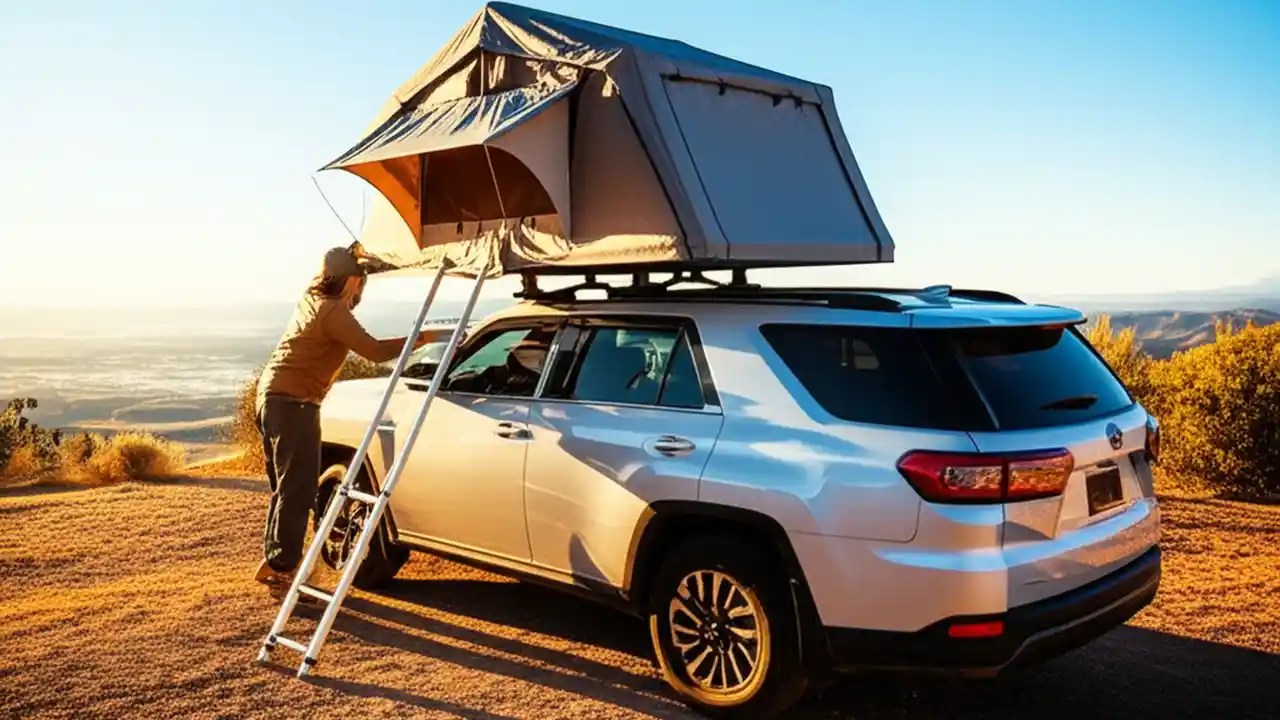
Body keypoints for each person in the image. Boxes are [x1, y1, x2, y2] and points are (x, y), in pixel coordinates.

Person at [253, 246, 447, 599]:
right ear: (352, 281)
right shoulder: (332, 311)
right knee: (297, 487)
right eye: (361, 281)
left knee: (287, 487)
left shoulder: (313, 299)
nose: (362, 288)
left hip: (273, 398)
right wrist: (422, 338)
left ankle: (276, 563)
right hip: (293, 403)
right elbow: (374, 351)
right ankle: (282, 571)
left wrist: (356, 252)